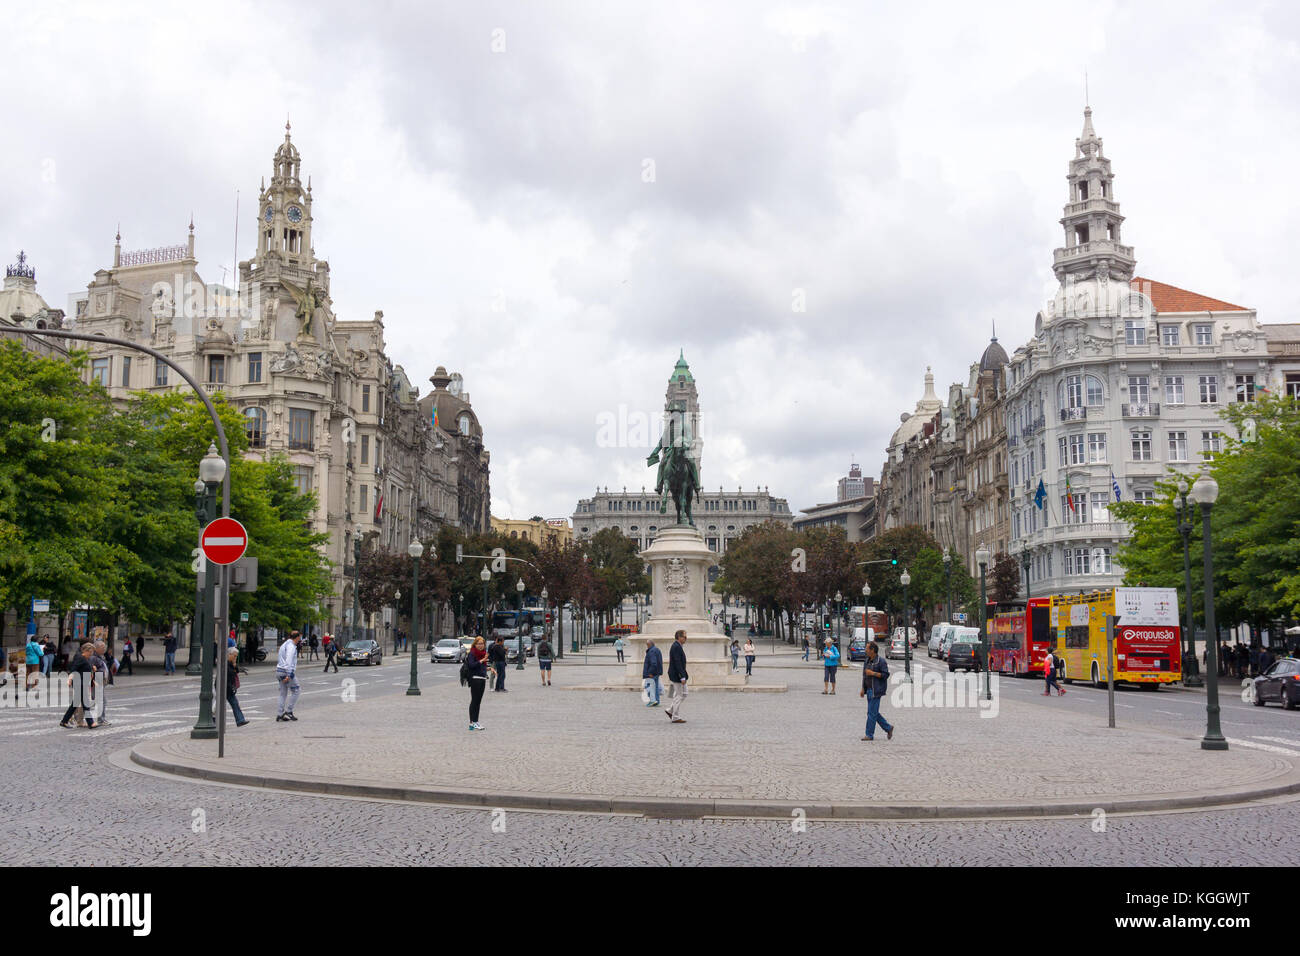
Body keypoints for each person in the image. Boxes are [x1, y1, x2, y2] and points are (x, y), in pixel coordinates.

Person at [859, 641, 894, 741]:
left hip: (876, 690)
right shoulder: (867, 661)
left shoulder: (881, 661)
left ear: (872, 650)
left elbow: (885, 675)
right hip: (869, 690)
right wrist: (862, 688)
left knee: (871, 713)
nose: (865, 650)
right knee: (873, 712)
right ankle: (888, 727)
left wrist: (873, 673)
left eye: (867, 648)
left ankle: (869, 734)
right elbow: (864, 676)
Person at [60, 643, 98, 729]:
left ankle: (64, 721)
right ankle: (90, 723)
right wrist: (69, 679)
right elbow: (74, 669)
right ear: (86, 651)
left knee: (76, 703)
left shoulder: (84, 659)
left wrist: (92, 669)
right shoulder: (80, 658)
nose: (92, 654)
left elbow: (84, 669)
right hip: (79, 683)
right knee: (85, 703)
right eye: (91, 652)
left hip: (82, 682)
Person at [275, 630, 302, 722]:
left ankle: (280, 713)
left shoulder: (284, 644)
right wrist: (289, 674)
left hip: (279, 670)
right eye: (300, 637)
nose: (300, 639)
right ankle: (289, 711)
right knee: (297, 690)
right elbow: (289, 660)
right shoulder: (291, 646)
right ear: (297, 637)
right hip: (285, 671)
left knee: (283, 693)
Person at [465, 636, 489, 730]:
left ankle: (475, 721)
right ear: (475, 644)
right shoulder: (472, 653)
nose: (481, 646)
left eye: (482, 644)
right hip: (475, 679)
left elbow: (480, 667)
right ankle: (472, 722)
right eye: (479, 644)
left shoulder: (483, 653)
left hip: (482, 678)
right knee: (474, 701)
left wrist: (489, 668)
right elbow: (471, 665)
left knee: (478, 701)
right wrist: (482, 660)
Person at [664, 630, 688, 723]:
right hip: (677, 675)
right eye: (684, 637)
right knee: (679, 695)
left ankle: (670, 710)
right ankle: (675, 717)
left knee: (684, 693)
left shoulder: (678, 646)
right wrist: (682, 676)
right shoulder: (676, 647)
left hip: (678, 674)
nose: (686, 639)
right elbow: (677, 662)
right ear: (679, 637)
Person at [225, 647, 249, 727]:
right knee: (216, 706)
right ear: (229, 655)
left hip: (228, 688)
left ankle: (240, 720)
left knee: (235, 704)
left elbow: (235, 672)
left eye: (236, 656)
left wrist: (235, 665)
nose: (235, 658)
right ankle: (213, 721)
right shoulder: (225, 663)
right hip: (223, 688)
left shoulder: (231, 663)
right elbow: (229, 675)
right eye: (234, 656)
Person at [90, 640, 111, 724]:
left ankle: (101, 718)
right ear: (96, 648)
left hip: (100, 681)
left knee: (99, 701)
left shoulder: (100, 656)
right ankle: (100, 719)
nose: (104, 649)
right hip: (96, 682)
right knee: (100, 701)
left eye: (104, 647)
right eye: (102, 647)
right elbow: (92, 669)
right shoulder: (94, 658)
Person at [642, 638, 663, 707]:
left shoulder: (651, 651)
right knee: (655, 687)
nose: (646, 646)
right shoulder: (657, 650)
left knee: (648, 686)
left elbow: (653, 663)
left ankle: (652, 700)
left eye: (647, 644)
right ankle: (656, 700)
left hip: (652, 673)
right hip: (657, 672)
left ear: (649, 644)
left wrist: (650, 672)